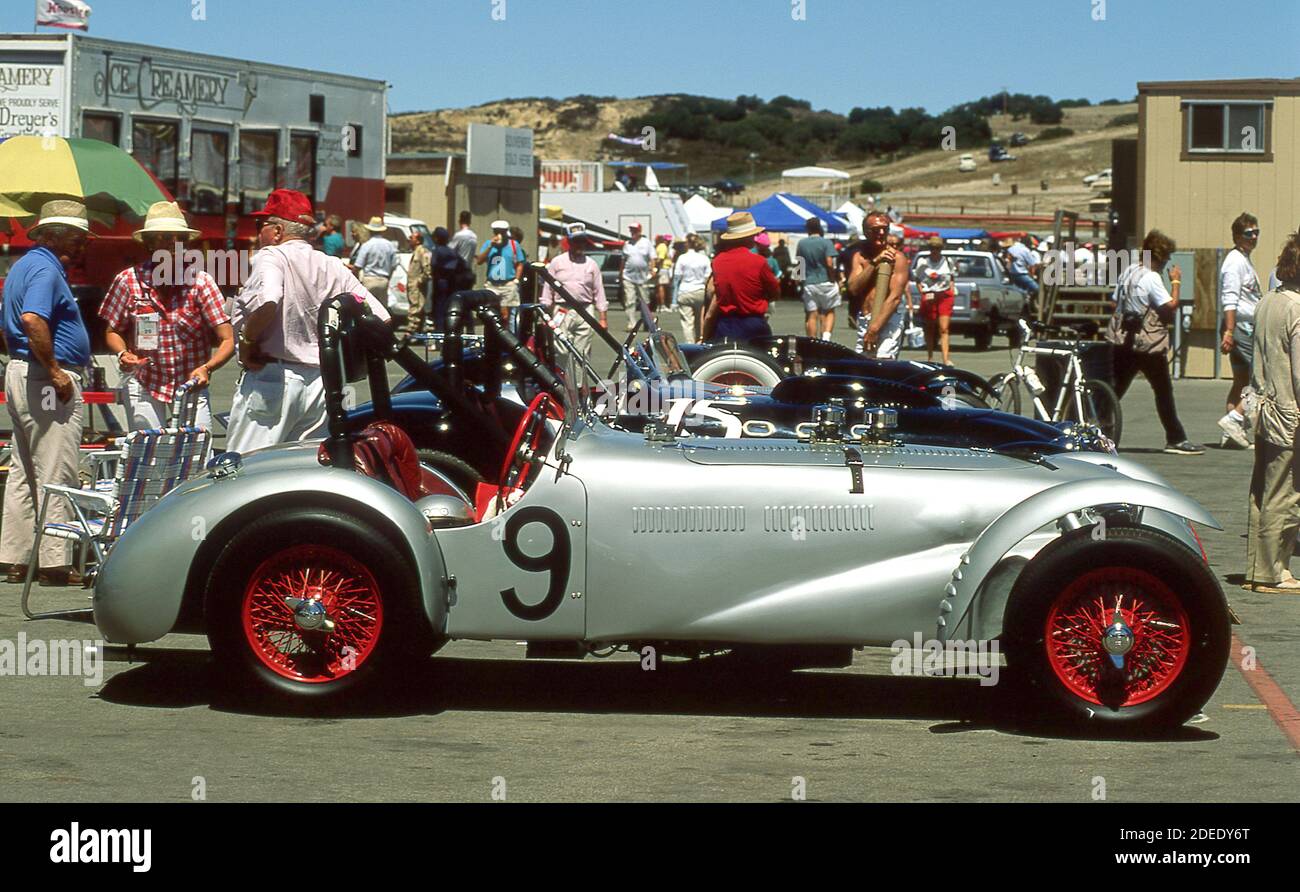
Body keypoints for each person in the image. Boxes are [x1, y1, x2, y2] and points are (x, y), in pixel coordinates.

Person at [226, 189, 390, 453]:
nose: (258, 233)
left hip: (273, 377)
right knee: (300, 471)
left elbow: (268, 300)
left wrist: (246, 342)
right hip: (321, 383)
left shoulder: (272, 256)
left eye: (261, 225)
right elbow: (380, 316)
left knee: (244, 468)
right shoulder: (332, 265)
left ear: (277, 231)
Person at [0, 200, 93, 586]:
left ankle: (15, 556)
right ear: (55, 237)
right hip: (43, 376)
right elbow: (32, 318)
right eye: (78, 236)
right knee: (56, 466)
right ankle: (55, 560)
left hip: (23, 371)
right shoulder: (45, 269)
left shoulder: (24, 265)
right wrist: (55, 371)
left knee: (25, 467)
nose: (84, 244)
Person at [100, 201, 234, 430]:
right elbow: (112, 331)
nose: (173, 245)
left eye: (179, 239)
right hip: (144, 383)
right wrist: (123, 353)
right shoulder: (128, 280)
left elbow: (227, 339)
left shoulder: (200, 282)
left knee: (196, 453)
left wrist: (207, 368)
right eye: (165, 238)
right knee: (149, 456)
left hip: (191, 384)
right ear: (150, 243)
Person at [1105, 229, 1202, 455]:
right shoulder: (1152, 277)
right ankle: (1176, 439)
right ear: (1159, 256)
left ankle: (1096, 427)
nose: (1168, 261)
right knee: (1163, 390)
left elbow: (1113, 303)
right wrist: (1176, 281)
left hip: (1123, 340)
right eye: (1166, 257)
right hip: (1147, 344)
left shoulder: (1129, 270)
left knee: (1115, 389)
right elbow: (1170, 305)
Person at [1244, 232, 1300, 592]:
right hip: (1287, 410)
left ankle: (1257, 568)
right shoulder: (1297, 308)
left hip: (1262, 405)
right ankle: (1273, 571)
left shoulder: (1268, 301)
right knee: (1286, 491)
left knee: (1261, 490)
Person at [1218, 212, 1264, 449]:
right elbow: (1230, 299)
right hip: (1240, 328)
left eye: (1257, 232)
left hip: (1241, 327)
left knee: (1241, 380)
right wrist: (1229, 330)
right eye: (1249, 233)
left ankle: (1231, 434)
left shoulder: (1243, 259)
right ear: (1237, 236)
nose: (1254, 237)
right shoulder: (1234, 262)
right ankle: (1234, 419)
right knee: (1260, 380)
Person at [701, 212, 778, 342]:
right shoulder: (758, 262)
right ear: (747, 237)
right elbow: (775, 292)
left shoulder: (718, 262)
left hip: (725, 324)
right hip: (754, 324)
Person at [846, 211, 910, 358]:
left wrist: (874, 329)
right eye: (875, 230)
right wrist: (874, 263)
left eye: (885, 229)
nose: (881, 233)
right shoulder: (860, 257)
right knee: (863, 366)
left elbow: (894, 298)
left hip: (888, 319)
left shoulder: (897, 258)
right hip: (865, 318)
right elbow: (853, 288)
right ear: (865, 232)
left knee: (882, 364)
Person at [540, 226, 607, 363]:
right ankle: (562, 382)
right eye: (576, 241)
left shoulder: (591, 264)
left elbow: (599, 291)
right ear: (569, 242)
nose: (579, 244)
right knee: (561, 350)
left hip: (585, 310)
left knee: (582, 354)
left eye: (582, 241)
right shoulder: (557, 262)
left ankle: (579, 384)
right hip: (562, 311)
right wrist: (544, 314)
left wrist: (603, 318)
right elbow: (548, 290)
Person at [796, 218, 841, 340]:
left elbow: (800, 263)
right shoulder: (826, 243)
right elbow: (830, 263)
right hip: (825, 280)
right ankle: (826, 338)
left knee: (812, 314)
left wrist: (799, 280)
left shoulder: (802, 243)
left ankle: (812, 340)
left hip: (809, 282)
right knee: (829, 311)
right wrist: (833, 278)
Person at [914, 236, 955, 364]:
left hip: (944, 295)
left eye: (937, 248)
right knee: (930, 327)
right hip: (930, 295)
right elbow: (917, 279)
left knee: (944, 328)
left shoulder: (947, 262)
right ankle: (930, 357)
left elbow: (952, 277)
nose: (934, 251)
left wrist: (952, 290)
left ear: (941, 249)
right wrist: (922, 291)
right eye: (932, 248)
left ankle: (946, 359)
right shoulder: (923, 263)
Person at [476, 220, 526, 324]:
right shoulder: (488, 244)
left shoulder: (513, 244)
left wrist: (516, 279)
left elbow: (520, 263)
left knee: (509, 316)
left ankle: (510, 337)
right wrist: (490, 247)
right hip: (492, 284)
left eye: (502, 232)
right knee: (491, 313)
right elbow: (479, 261)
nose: (499, 234)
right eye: (496, 232)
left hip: (508, 284)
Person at [429, 226, 473, 334]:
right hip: (452, 284)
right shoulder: (452, 252)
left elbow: (434, 265)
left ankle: (439, 333)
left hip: (440, 283)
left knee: (439, 309)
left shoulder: (437, 251)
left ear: (436, 238)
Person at [351, 216, 397, 309]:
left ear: (370, 230)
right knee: (382, 308)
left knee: (368, 308)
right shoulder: (389, 245)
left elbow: (358, 266)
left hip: (369, 279)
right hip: (384, 280)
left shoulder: (367, 245)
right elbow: (394, 265)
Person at [673, 233, 711, 342]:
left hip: (685, 291)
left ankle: (690, 343)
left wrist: (673, 298)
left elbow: (677, 277)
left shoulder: (682, 258)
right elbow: (707, 276)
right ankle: (700, 340)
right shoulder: (704, 258)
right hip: (700, 291)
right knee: (700, 320)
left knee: (687, 322)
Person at [621, 222, 654, 330]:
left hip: (643, 277)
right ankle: (632, 323)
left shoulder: (646, 243)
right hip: (628, 276)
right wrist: (621, 273)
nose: (632, 232)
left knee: (645, 301)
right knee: (630, 300)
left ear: (640, 231)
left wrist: (652, 270)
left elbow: (652, 257)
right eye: (631, 230)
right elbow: (623, 259)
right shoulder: (627, 244)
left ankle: (647, 322)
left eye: (635, 230)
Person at [404, 228, 433, 332]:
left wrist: (420, 281)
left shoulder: (422, 252)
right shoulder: (415, 252)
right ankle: (418, 332)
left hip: (417, 288)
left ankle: (411, 332)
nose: (409, 240)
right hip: (412, 286)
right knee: (416, 309)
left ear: (418, 240)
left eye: (411, 238)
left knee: (415, 310)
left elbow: (427, 270)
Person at [1001, 235, 1040, 301]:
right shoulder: (1025, 250)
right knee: (1037, 289)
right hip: (1022, 274)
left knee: (1020, 290)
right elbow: (1033, 263)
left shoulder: (1010, 249)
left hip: (1012, 274)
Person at [449, 211, 478, 277]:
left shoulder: (459, 235)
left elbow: (450, 251)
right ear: (470, 222)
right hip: (469, 271)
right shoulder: (474, 236)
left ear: (459, 221)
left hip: (459, 271)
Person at [655, 234, 674, 310]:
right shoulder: (663, 247)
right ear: (664, 240)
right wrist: (657, 268)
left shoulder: (664, 247)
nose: (669, 242)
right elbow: (660, 259)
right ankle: (662, 305)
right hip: (663, 268)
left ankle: (662, 305)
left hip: (664, 268)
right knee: (662, 287)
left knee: (663, 287)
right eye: (668, 240)